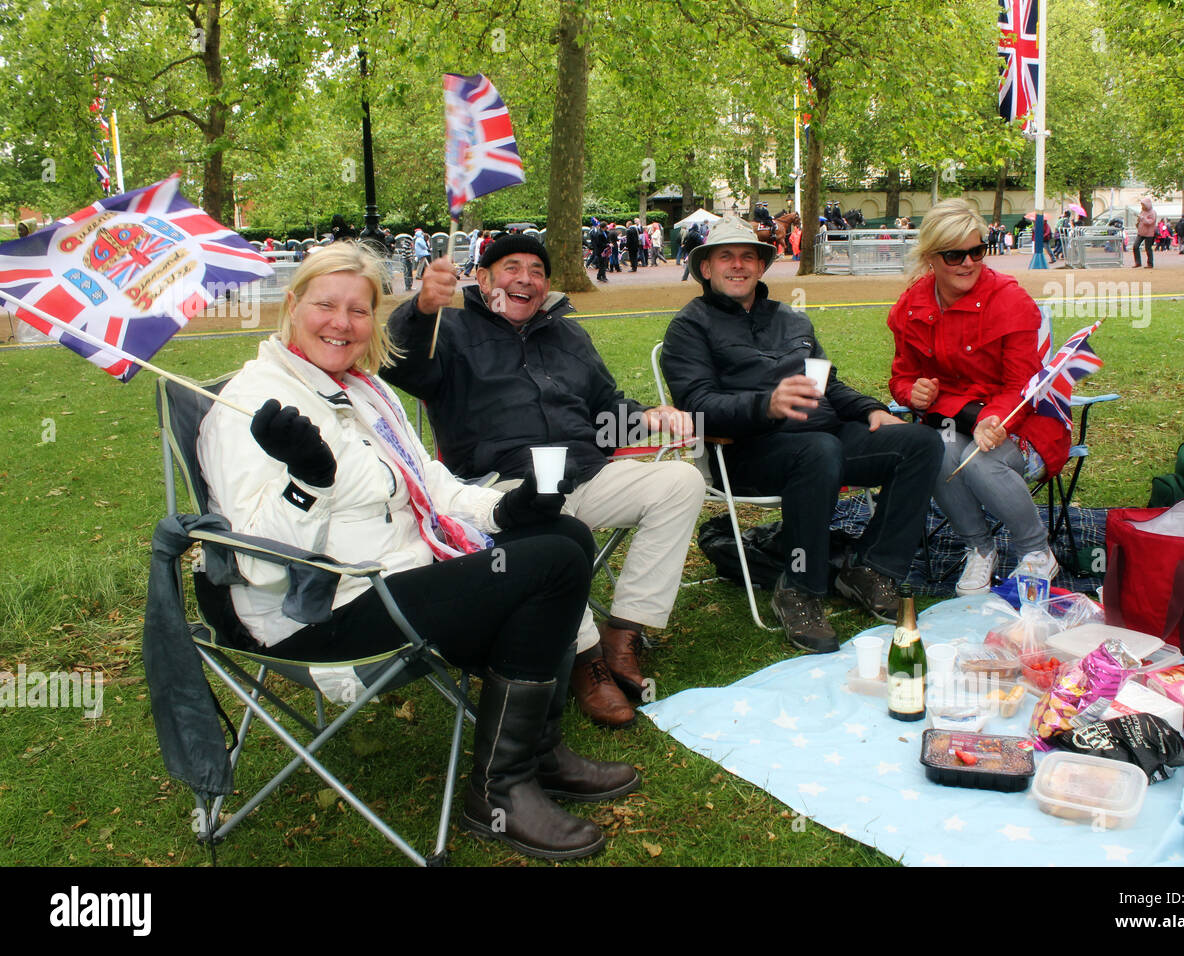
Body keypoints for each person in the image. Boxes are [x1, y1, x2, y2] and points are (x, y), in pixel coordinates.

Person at [196, 243, 637, 861]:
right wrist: (306, 485)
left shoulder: (363, 389)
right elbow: (261, 565)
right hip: (323, 610)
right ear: (293, 306)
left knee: (561, 535)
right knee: (553, 565)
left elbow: (428, 481)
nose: (342, 323)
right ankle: (499, 791)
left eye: (359, 310)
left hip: (408, 571)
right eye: (326, 305)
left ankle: (538, 750)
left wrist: (502, 511)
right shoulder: (250, 406)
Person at [381, 236, 705, 728]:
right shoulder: (450, 330)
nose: (525, 279)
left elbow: (605, 412)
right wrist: (421, 310)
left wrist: (648, 416)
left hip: (587, 470)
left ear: (547, 285)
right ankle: (586, 660)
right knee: (554, 519)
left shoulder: (569, 336)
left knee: (680, 480)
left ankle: (624, 633)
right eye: (511, 268)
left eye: (536, 270)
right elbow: (399, 364)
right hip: (502, 484)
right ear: (484, 278)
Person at [661, 220, 943, 654]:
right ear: (705, 269)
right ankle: (799, 587)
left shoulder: (790, 319)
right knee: (819, 450)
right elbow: (697, 406)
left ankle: (870, 568)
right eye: (725, 257)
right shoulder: (690, 328)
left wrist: (871, 409)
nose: (738, 265)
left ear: (760, 266)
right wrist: (766, 405)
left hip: (824, 438)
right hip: (746, 452)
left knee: (920, 443)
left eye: (748, 256)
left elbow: (827, 383)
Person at [887, 199, 1070, 595]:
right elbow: (902, 378)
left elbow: (1021, 386)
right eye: (954, 255)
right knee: (934, 451)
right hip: (955, 420)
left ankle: (1037, 551)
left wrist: (997, 419)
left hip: (1026, 420)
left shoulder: (1010, 302)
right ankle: (979, 549)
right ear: (931, 258)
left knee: (982, 462)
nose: (968, 263)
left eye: (976, 251)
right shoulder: (910, 307)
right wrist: (913, 392)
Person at [1133, 199, 1156, 268]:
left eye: (1143, 205)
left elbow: (1150, 222)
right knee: (1135, 246)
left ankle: (1150, 264)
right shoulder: (1142, 211)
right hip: (1141, 232)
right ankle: (1138, 262)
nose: (1142, 206)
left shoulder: (1152, 212)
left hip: (1149, 233)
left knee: (1148, 248)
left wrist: (1142, 218)